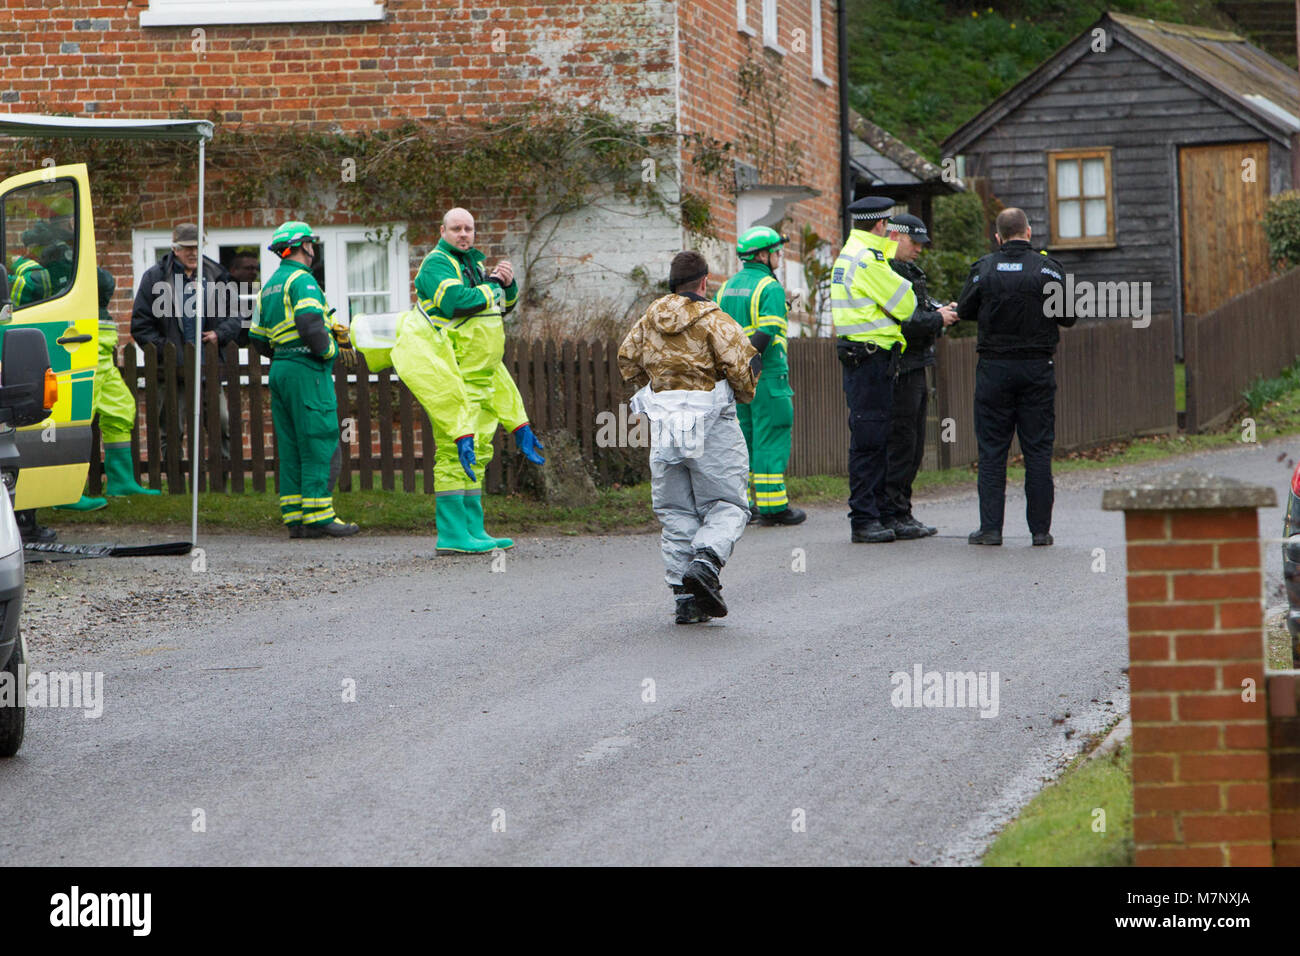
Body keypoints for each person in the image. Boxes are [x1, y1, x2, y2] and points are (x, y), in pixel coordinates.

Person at [618, 250, 758, 624]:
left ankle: (685, 599)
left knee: (676, 510)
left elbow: (627, 360)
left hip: (665, 425)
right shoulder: (715, 320)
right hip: (712, 423)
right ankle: (706, 561)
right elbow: (742, 372)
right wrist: (743, 392)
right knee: (728, 504)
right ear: (704, 282)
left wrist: (660, 387)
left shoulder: (649, 318)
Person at [415, 207, 544, 552]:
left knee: (478, 452)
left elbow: (500, 306)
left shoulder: (471, 264)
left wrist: (507, 283)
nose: (463, 234)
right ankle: (453, 534)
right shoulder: (437, 264)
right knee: (453, 451)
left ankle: (474, 529)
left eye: (469, 228)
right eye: (456, 228)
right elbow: (456, 302)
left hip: (481, 373)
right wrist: (491, 284)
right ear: (442, 231)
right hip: (452, 372)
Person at [956, 207, 1073, 546]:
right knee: (1037, 450)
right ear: (1029, 232)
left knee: (992, 450)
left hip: (994, 370)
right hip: (1037, 369)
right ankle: (1040, 531)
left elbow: (964, 311)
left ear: (998, 237)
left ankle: (991, 530)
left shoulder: (984, 268)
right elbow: (1068, 318)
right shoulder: (1049, 270)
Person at [250, 220, 358, 539]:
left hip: (281, 369)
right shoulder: (303, 281)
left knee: (292, 443)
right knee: (319, 438)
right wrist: (329, 351)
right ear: (303, 246)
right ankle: (319, 516)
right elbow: (310, 322)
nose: (314, 249)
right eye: (311, 244)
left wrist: (285, 353)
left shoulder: (268, 286)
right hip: (307, 369)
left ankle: (295, 517)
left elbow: (256, 338)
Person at [831, 196, 918, 543]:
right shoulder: (868, 260)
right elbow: (907, 304)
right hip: (869, 361)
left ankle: (875, 513)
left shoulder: (851, 253)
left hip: (864, 359)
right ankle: (865, 519)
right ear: (881, 226)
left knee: (872, 437)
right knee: (869, 441)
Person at [716, 226, 805, 527]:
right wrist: (750, 364)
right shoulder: (770, 287)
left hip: (735, 377)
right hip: (766, 375)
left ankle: (748, 505)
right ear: (763, 255)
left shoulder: (725, 288)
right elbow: (766, 332)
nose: (780, 256)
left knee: (745, 439)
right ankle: (773, 508)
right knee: (772, 435)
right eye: (777, 251)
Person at [130, 223, 238, 461]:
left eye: (197, 247)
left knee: (221, 424)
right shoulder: (155, 277)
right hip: (171, 371)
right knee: (171, 430)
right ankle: (175, 487)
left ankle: (224, 481)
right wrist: (167, 350)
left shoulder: (217, 275)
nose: (192, 253)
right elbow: (140, 325)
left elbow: (235, 317)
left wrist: (219, 334)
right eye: (187, 247)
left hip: (208, 368)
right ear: (175, 248)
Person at [57, 268, 163, 512]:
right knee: (76, 417)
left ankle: (121, 481)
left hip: (101, 355)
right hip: (84, 351)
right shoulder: (66, 268)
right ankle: (65, 491)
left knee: (121, 408)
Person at [881, 213, 958, 539]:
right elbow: (907, 322)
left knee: (912, 445)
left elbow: (918, 311)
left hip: (914, 364)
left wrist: (939, 313)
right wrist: (937, 319)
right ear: (895, 236)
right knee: (900, 443)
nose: (920, 249)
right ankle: (892, 512)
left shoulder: (907, 271)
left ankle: (902, 510)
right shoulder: (886, 271)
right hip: (899, 367)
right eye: (915, 242)